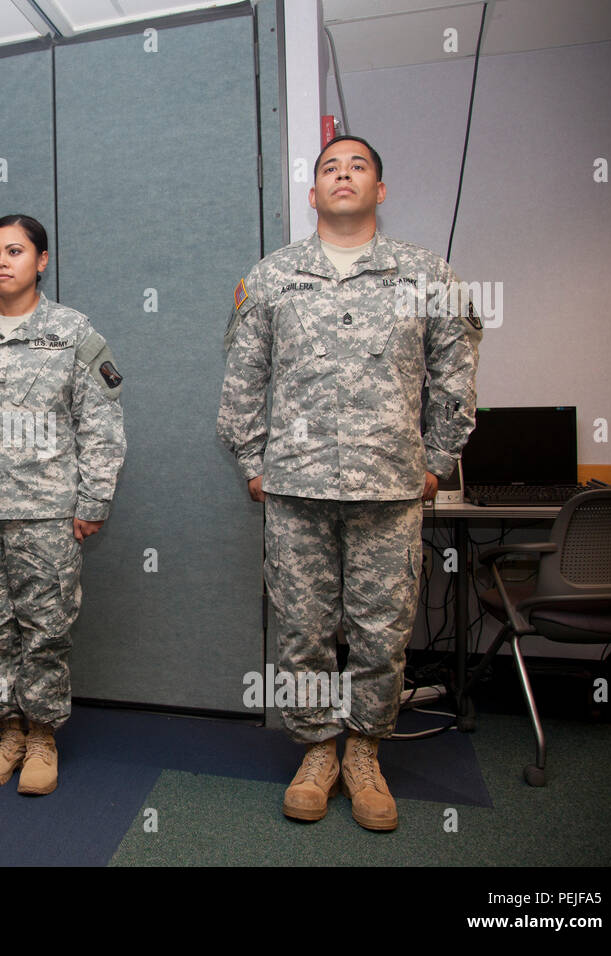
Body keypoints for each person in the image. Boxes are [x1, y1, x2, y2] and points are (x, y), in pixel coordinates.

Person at [216, 136, 481, 830]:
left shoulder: (427, 274)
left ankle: (364, 751)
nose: (342, 175)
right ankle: (316, 749)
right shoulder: (272, 277)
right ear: (312, 194)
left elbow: (454, 380)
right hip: (296, 490)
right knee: (302, 630)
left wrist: (437, 463)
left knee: (381, 632)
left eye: (357, 166)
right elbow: (244, 378)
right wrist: (253, 461)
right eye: (330, 168)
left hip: (389, 491)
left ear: (380, 190)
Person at [0, 214, 126, 795]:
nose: (2, 262)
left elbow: (102, 425)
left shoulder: (73, 333)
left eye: (15, 251)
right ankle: (8, 728)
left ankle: (42, 736)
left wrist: (94, 499)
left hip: (45, 512)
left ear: (42, 260)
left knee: (45, 626)